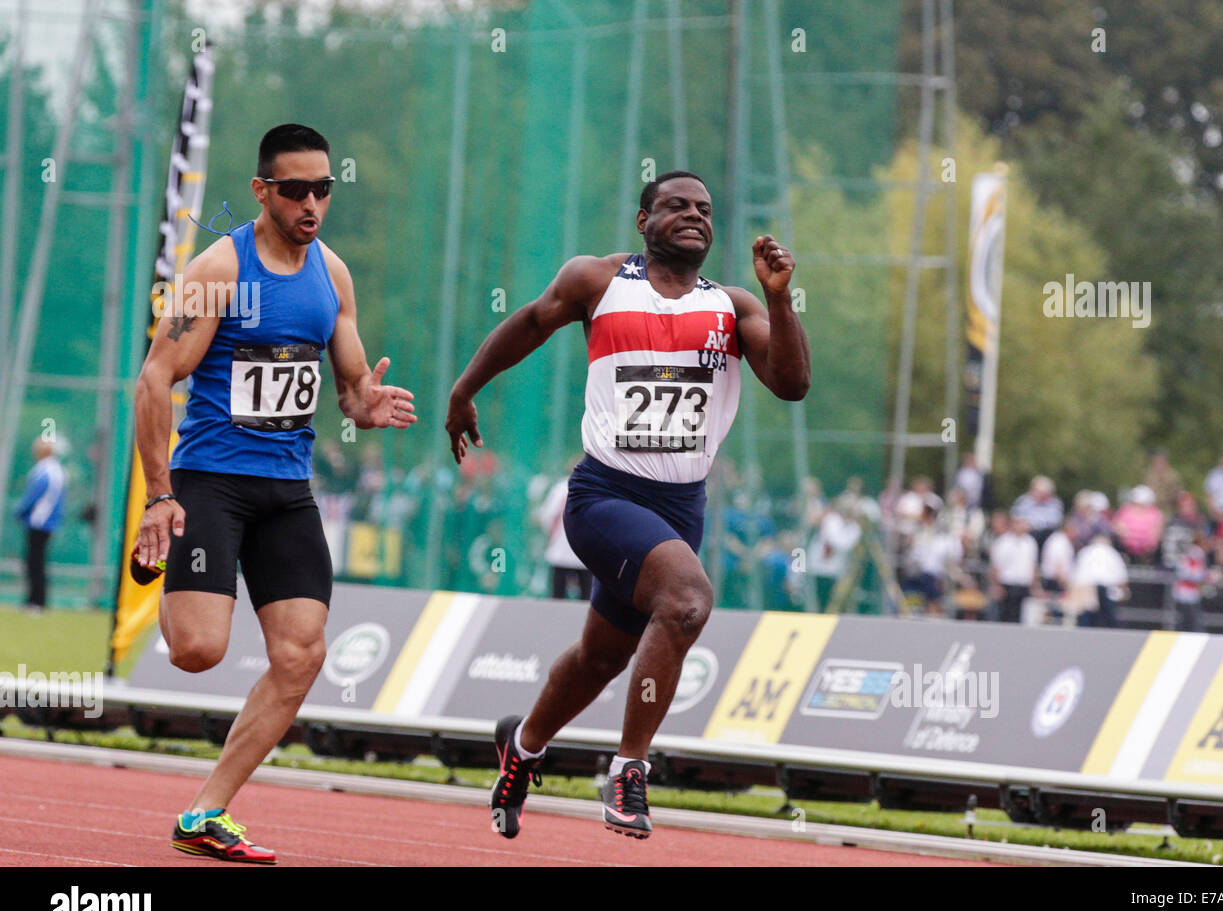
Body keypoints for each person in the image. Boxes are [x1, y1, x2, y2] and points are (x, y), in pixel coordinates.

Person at [445, 170, 809, 840]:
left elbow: (790, 384)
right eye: (675, 206)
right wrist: (465, 390)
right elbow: (529, 322)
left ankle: (520, 748)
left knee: (599, 658)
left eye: (704, 209)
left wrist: (780, 301)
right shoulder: (600, 280)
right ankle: (628, 768)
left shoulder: (733, 307)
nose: (693, 215)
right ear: (643, 221)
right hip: (605, 496)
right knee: (687, 600)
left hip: (680, 510)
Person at [131, 124, 417, 863]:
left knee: (301, 655)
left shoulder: (334, 276)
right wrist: (161, 495)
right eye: (295, 190)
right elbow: (156, 378)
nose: (312, 202)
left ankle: (204, 814)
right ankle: (164, 550)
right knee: (197, 650)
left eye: (324, 188)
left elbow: (351, 388)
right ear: (262, 191)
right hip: (212, 483)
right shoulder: (216, 271)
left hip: (288, 490)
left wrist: (366, 403)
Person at [13, 436, 67, 612]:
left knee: (35, 562)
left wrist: (21, 511)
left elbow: (33, 497)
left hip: (39, 522)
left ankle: (36, 601)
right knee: (36, 562)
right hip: (45, 523)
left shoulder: (46, 471)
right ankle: (34, 600)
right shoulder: (54, 470)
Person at [537, 464, 592, 600]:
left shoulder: (560, 488)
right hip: (585, 552)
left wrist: (551, 535)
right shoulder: (593, 488)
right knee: (586, 597)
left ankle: (556, 619)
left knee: (558, 595)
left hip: (560, 550)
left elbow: (547, 516)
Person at [989, 514, 1038, 623]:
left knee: (1021, 617)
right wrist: (996, 585)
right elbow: (996, 566)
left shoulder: (1030, 542)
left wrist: (1035, 585)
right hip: (1007, 584)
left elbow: (1033, 566)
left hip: (1024, 584)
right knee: (1005, 616)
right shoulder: (1003, 542)